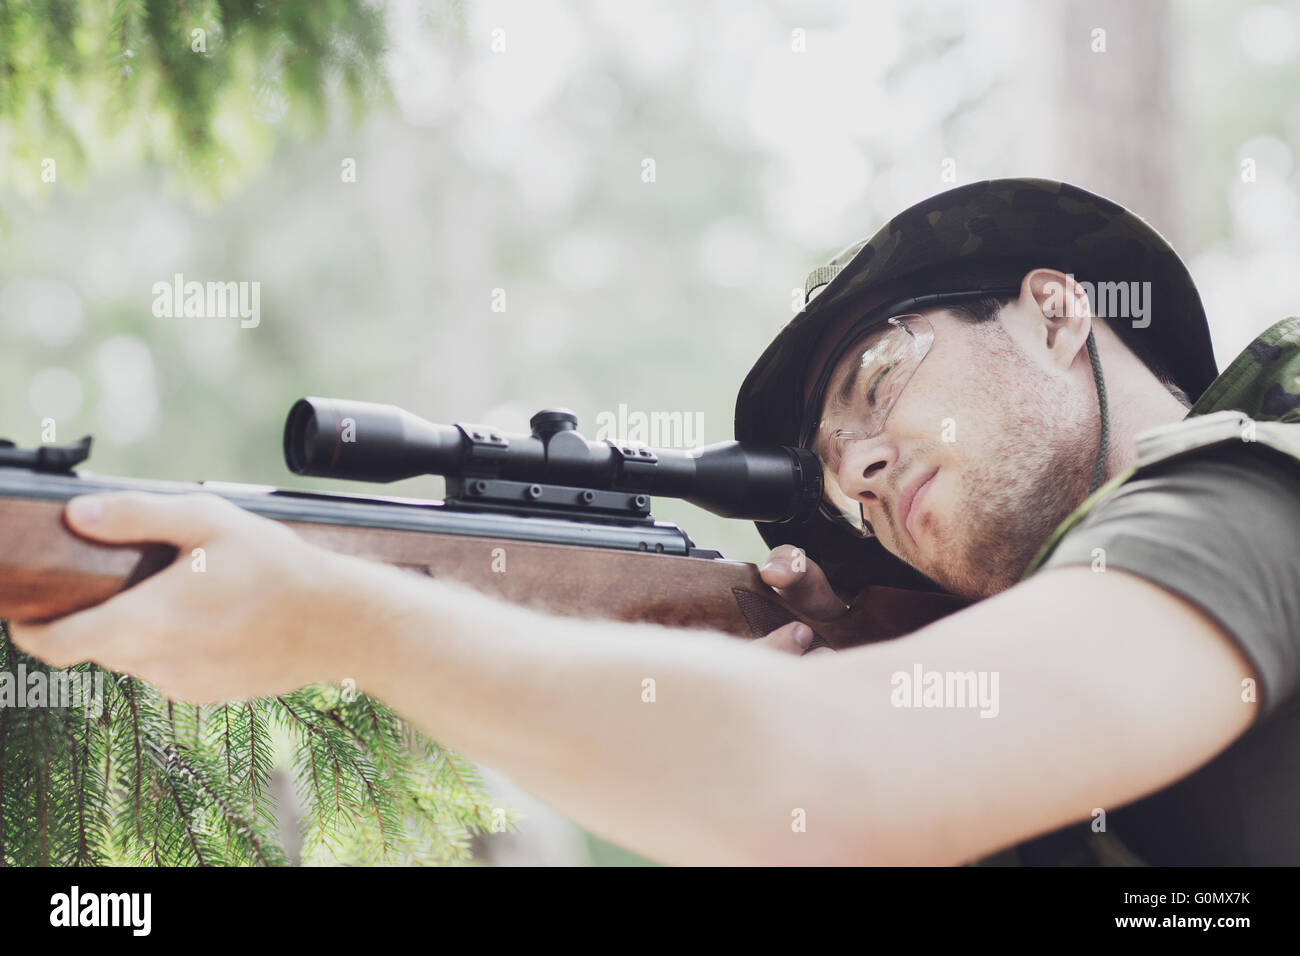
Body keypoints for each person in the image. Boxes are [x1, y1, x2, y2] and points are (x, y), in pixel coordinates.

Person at [12, 179, 1300, 866]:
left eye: (880, 381)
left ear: (1056, 309)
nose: (853, 467)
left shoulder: (1244, 493)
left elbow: (837, 777)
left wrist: (344, 618)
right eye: (834, 476)